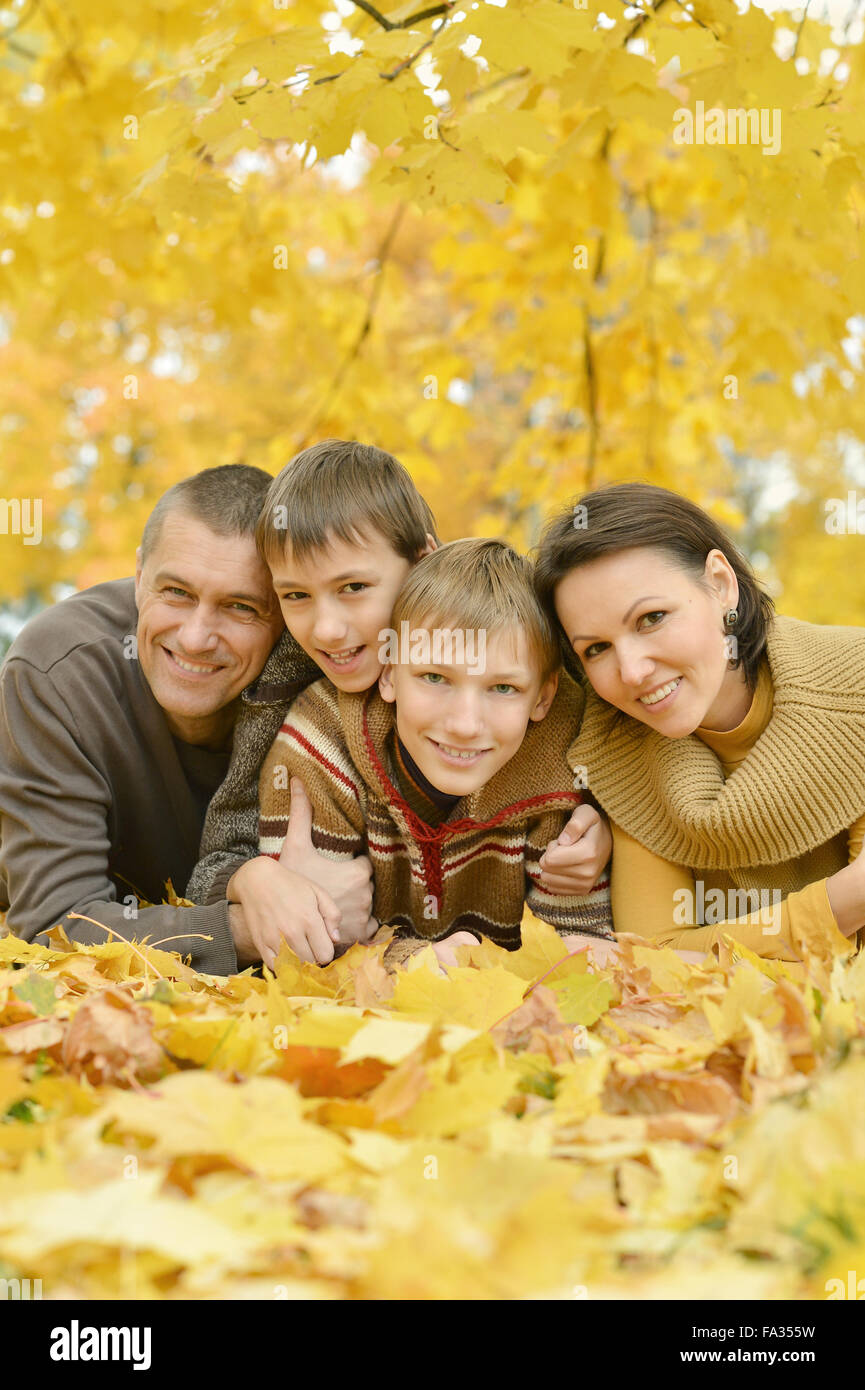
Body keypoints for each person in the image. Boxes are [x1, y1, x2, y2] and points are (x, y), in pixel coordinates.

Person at [188, 441, 612, 966]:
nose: (326, 628)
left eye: (354, 587)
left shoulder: (526, 652)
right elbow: (223, 858)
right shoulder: (296, 685)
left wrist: (606, 824)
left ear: (422, 563)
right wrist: (259, 877)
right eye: (295, 596)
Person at [0, 464, 371, 975]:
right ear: (137, 578)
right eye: (176, 592)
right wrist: (256, 928)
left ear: (285, 616)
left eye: (240, 607)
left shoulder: (323, 679)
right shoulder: (58, 670)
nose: (196, 637)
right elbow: (57, 926)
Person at [533, 481, 865, 966]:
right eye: (596, 649)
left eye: (651, 618)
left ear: (720, 583)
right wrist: (835, 908)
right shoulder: (618, 749)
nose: (632, 671)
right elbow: (657, 955)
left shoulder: (853, 687)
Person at [254, 539, 613, 969]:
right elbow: (302, 952)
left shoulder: (563, 769)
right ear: (388, 673)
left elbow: (578, 956)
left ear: (542, 698)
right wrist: (410, 966)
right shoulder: (320, 748)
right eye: (435, 677)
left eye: (503, 688)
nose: (464, 724)